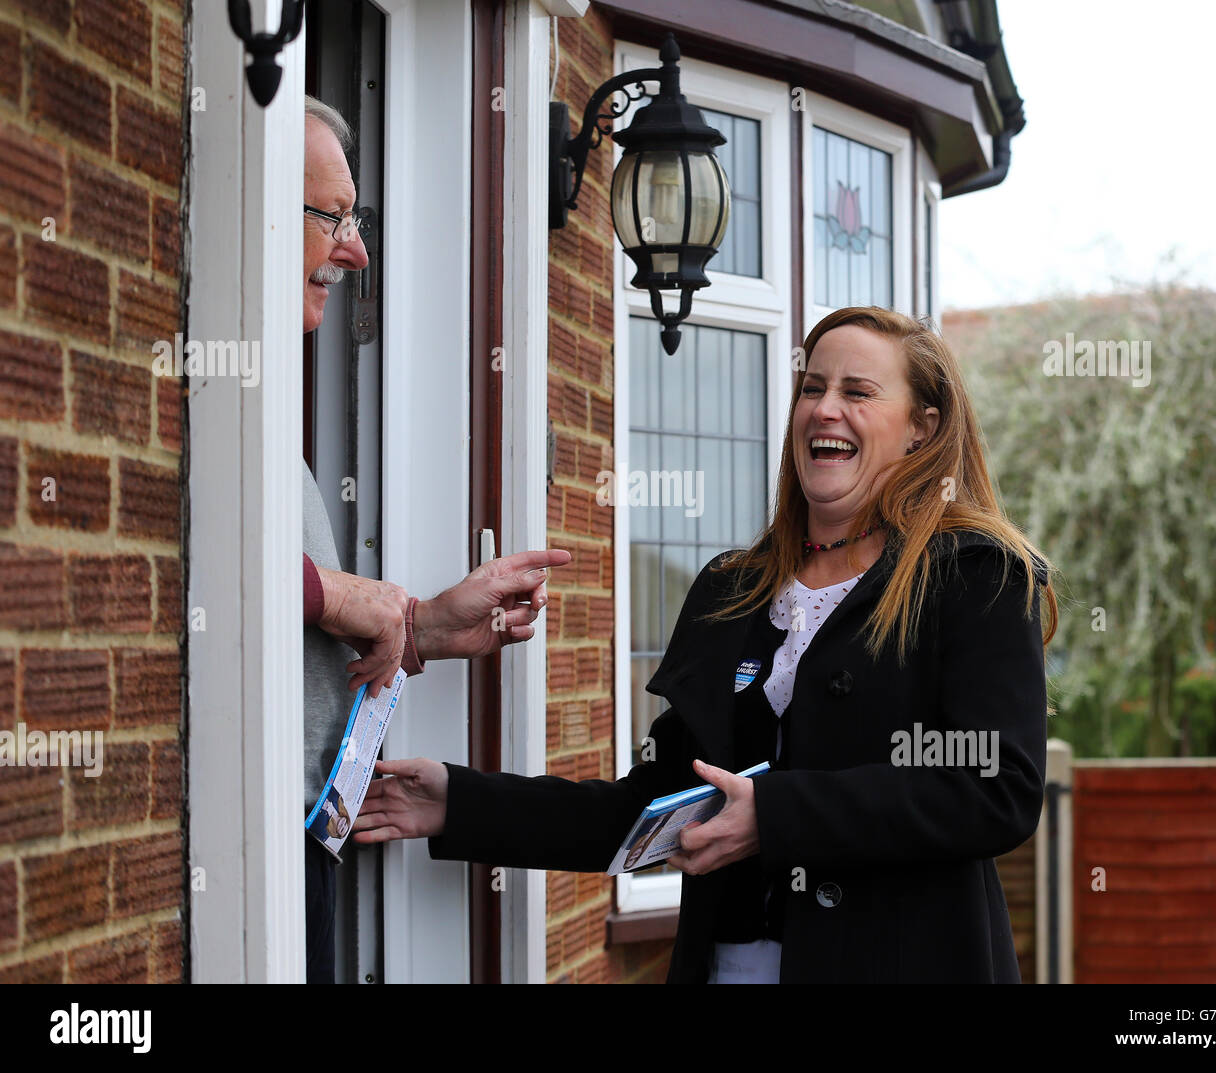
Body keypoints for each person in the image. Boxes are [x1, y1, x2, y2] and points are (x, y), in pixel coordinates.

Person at [354, 306, 1058, 984]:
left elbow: (996, 789)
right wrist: (460, 802)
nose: (824, 408)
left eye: (858, 391)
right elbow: (654, 804)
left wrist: (777, 815)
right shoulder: (735, 591)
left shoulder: (976, 576)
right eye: (811, 386)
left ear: (921, 427)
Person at [298, 96, 570, 983]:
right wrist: (334, 593)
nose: (356, 250)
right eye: (332, 217)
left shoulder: (265, 431)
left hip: (303, 851)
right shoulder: (209, 395)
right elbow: (181, 561)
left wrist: (422, 630)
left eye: (356, 219)